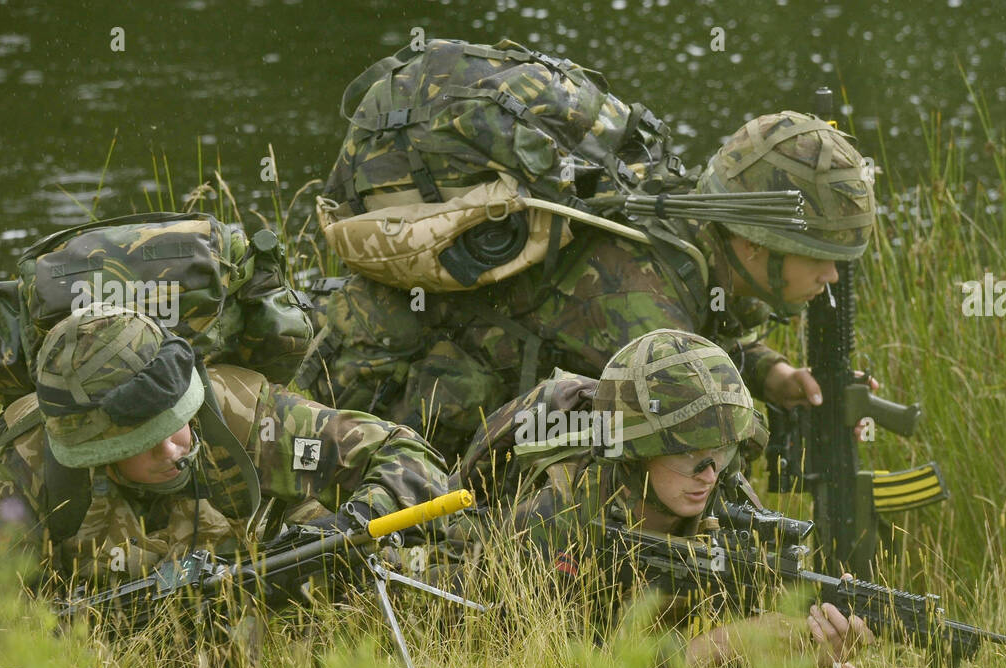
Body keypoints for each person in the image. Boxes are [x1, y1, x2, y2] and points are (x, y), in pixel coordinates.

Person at [295, 109, 876, 461]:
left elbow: (701, 331)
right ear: (754, 245)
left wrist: (770, 372)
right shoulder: (642, 297)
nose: (829, 277)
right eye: (819, 258)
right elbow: (701, 437)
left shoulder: (686, 226)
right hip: (381, 405)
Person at [447, 328, 871, 668]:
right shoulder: (557, 515)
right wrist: (715, 648)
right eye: (691, 455)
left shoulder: (729, 506)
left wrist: (811, 662)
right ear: (638, 451)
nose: (710, 473)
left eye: (722, 452)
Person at [0, 302, 450, 611]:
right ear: (97, 455)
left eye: (172, 422)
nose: (171, 447)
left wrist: (352, 524)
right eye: (143, 442)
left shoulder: (241, 413)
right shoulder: (31, 463)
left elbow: (407, 454)